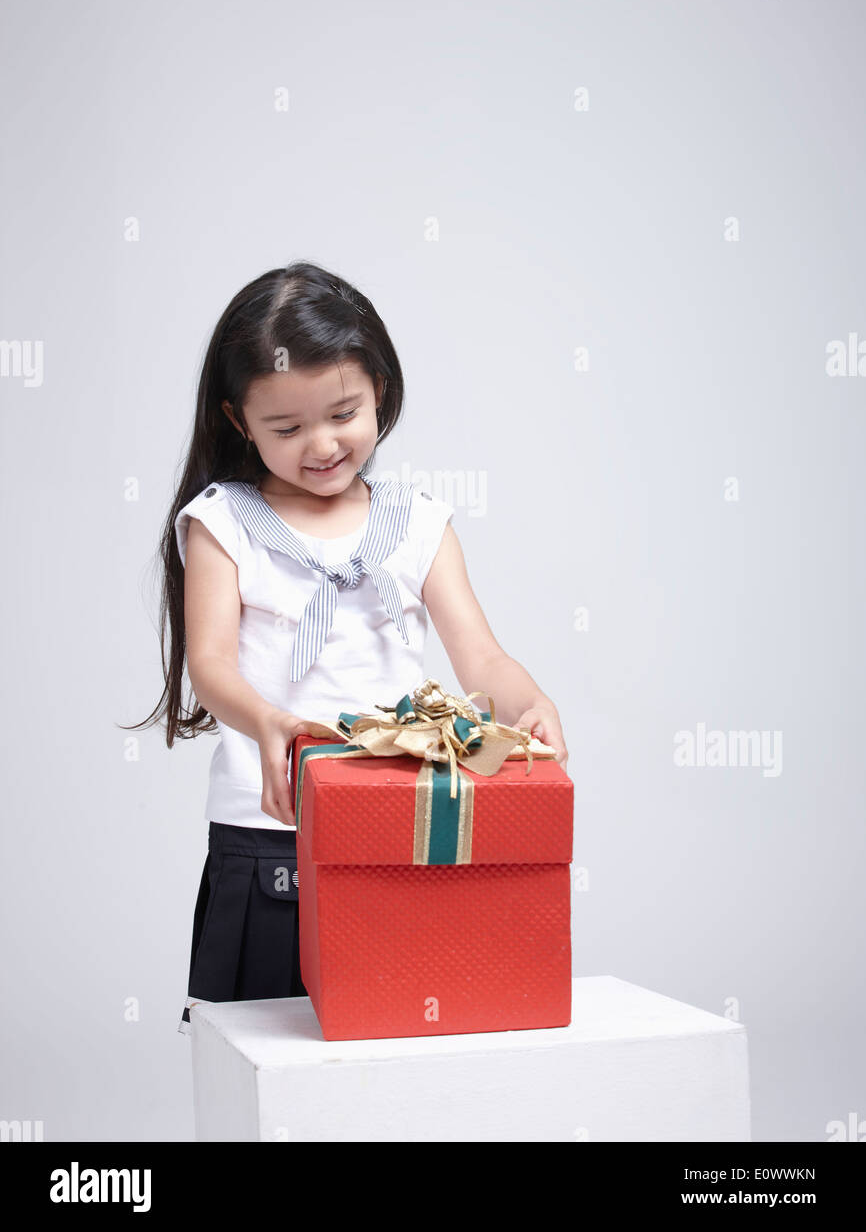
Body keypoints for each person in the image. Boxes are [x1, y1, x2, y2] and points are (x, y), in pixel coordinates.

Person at [126, 259, 569, 1034]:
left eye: (344, 413)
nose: (323, 444)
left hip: (395, 829)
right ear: (238, 421)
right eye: (287, 428)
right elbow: (212, 663)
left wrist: (527, 701)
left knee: (395, 1039)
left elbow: (481, 659)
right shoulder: (223, 523)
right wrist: (268, 722)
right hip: (270, 841)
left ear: (381, 390)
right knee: (265, 1050)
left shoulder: (417, 521)